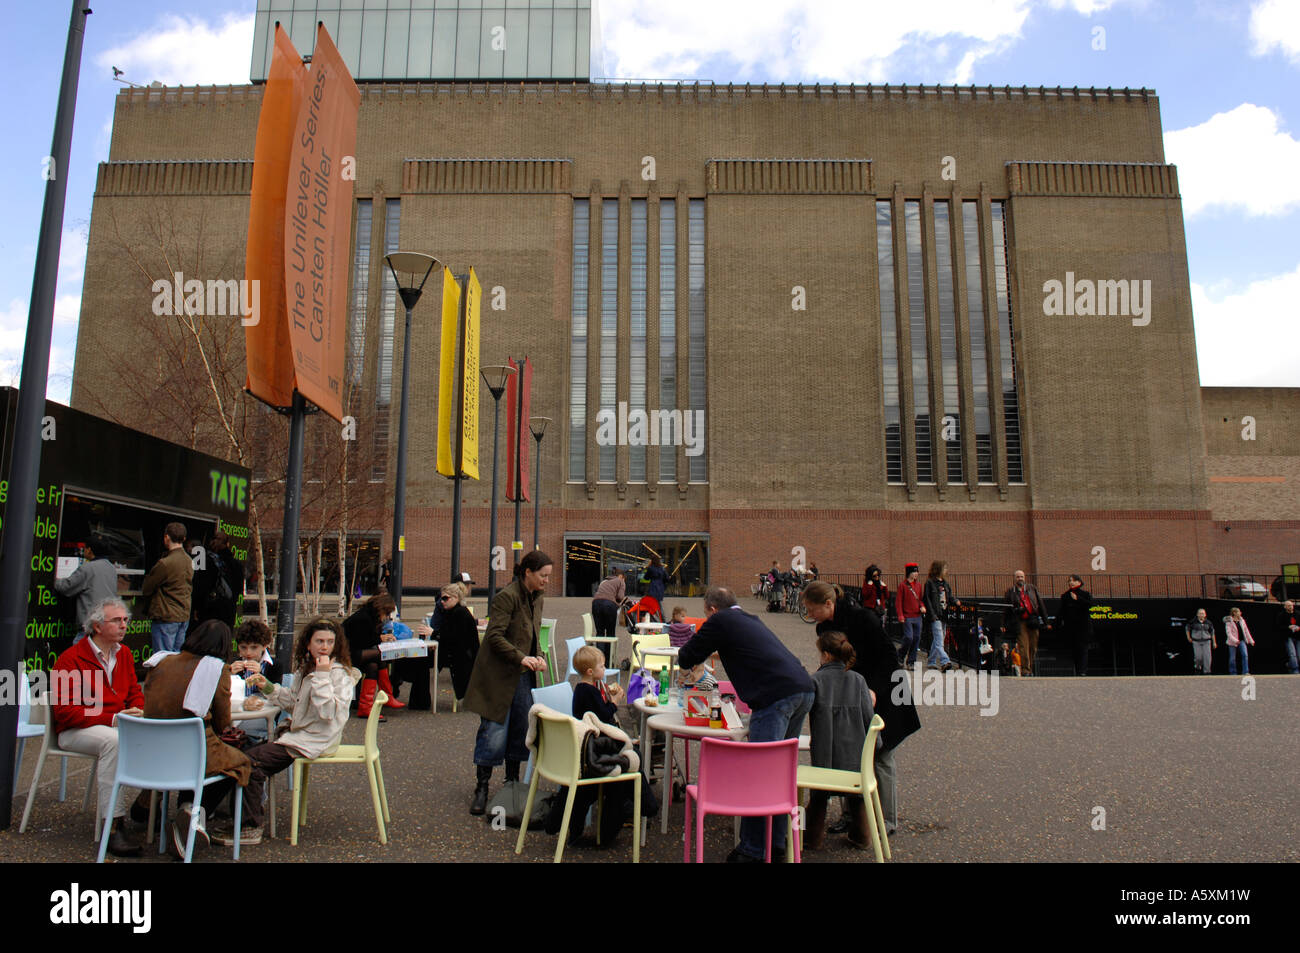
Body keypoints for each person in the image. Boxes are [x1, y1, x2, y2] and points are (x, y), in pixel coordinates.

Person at [677, 586, 814, 863]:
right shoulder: (750, 619)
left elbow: (688, 655)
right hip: (802, 688)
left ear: (712, 609)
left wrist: (691, 653)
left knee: (759, 773)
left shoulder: (720, 621)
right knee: (778, 771)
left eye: (706, 614)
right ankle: (776, 842)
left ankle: (752, 849)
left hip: (773, 697)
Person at [803, 580, 920, 840]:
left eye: (812, 609)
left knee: (882, 755)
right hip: (854, 694)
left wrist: (874, 689)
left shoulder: (863, 618)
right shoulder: (824, 627)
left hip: (887, 691)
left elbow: (889, 656)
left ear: (828, 604)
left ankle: (885, 820)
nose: (809, 615)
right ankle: (851, 817)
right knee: (848, 752)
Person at [230, 619, 356, 846]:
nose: (324, 647)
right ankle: (229, 815)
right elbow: (292, 701)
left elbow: (327, 712)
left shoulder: (338, 674)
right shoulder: (307, 667)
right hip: (299, 734)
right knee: (241, 752)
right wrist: (265, 685)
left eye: (329, 642)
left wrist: (323, 676)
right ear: (308, 644)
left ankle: (250, 827)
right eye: (319, 641)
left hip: (314, 740)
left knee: (252, 761)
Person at [142, 619, 252, 855]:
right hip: (191, 749)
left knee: (211, 757)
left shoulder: (160, 661)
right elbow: (223, 722)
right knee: (240, 762)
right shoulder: (216, 668)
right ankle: (194, 814)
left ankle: (157, 804)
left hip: (152, 752)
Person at [50, 597, 145, 857]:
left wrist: (140, 710)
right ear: (97, 626)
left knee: (154, 736)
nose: (124, 625)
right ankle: (113, 825)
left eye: (126, 620)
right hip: (74, 731)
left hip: (113, 726)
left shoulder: (123, 653)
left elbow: (134, 691)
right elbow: (66, 712)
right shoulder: (70, 659)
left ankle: (148, 808)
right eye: (117, 620)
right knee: (113, 742)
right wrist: (113, 719)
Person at [464, 550, 553, 815]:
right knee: (493, 731)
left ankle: (511, 784)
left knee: (520, 729)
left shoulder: (538, 597)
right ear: (528, 572)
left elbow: (533, 632)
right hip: (499, 675)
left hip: (524, 674)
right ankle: (481, 787)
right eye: (543, 575)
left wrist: (538, 656)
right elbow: (494, 636)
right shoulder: (507, 597)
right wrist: (521, 657)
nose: (546, 581)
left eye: (548, 576)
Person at [804, 631, 875, 851]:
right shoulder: (858, 680)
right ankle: (862, 837)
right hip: (854, 757)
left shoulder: (816, 681)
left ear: (825, 655)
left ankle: (810, 838)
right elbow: (868, 718)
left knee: (817, 799)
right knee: (856, 798)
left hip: (824, 756)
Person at [342, 592, 405, 716]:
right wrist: (380, 638)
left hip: (354, 651)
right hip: (347, 654)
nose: (386, 617)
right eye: (386, 613)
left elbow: (365, 640)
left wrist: (379, 637)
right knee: (380, 655)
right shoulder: (363, 618)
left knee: (373, 666)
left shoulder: (368, 615)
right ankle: (387, 695)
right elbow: (362, 641)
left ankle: (365, 707)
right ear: (381, 609)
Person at [140, 521, 193, 654]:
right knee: (176, 658)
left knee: (162, 659)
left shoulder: (165, 563)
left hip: (166, 616)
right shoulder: (189, 561)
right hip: (183, 615)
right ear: (184, 539)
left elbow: (147, 588)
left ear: (166, 537)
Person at [55, 536, 119, 635]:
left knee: (81, 650)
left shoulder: (87, 568)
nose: (83, 550)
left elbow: (65, 587)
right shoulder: (111, 568)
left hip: (89, 627)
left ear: (89, 550)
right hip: (106, 623)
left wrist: (53, 577)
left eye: (85, 548)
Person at [231, 619, 282, 740]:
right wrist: (229, 676)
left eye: (254, 648)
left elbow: (276, 695)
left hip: (262, 712)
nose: (248, 652)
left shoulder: (274, 665)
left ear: (264, 646)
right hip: (237, 711)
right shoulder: (233, 662)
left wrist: (261, 675)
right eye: (243, 647)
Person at [434, 581, 480, 706]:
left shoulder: (459, 613)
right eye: (440, 598)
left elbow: (452, 638)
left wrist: (434, 633)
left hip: (462, 658)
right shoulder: (453, 612)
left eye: (445, 598)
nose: (442, 601)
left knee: (423, 664)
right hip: (461, 655)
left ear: (455, 598)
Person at [192, 530, 243, 628]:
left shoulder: (206, 561)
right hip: (228, 611)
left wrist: (197, 607)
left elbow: (200, 587)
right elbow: (238, 589)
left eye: (215, 539)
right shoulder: (236, 564)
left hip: (209, 611)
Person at [1002, 570, 1046, 677]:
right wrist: (1003, 624)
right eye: (1017, 577)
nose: (1020, 578)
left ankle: (1029, 668)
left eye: (1021, 576)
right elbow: (1005, 609)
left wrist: (1046, 620)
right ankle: (1026, 670)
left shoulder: (1032, 589)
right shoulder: (1010, 592)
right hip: (1020, 621)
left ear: (1024, 577)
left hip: (1033, 620)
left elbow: (1040, 604)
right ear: (1014, 578)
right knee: (1023, 646)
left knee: (1033, 646)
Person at [921, 561, 956, 671]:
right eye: (944, 568)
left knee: (938, 639)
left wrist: (955, 601)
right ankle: (945, 661)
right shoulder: (930, 583)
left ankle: (931, 661)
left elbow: (949, 596)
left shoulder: (945, 584)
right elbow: (927, 599)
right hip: (935, 615)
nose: (946, 571)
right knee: (939, 639)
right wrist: (932, 614)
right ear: (938, 569)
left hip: (944, 615)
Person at [1056, 574, 1094, 676]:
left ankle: (1082, 671)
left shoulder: (1085, 594)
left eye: (1072, 580)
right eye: (1069, 581)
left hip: (1084, 628)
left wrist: (1078, 599)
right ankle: (1078, 671)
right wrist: (1055, 624)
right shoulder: (1065, 596)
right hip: (1071, 628)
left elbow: (1089, 605)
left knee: (1083, 649)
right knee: (1075, 651)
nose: (1070, 582)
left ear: (1079, 582)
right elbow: (1061, 612)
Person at [590, 568, 626, 662]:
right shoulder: (621, 581)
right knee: (610, 633)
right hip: (609, 605)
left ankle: (599, 661)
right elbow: (620, 597)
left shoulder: (604, 581)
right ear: (621, 576)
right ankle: (608, 661)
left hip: (596, 603)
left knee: (600, 632)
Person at [895, 563, 925, 666]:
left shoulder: (919, 585)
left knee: (916, 638)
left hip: (917, 616)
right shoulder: (902, 586)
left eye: (917, 571)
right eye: (914, 572)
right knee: (909, 637)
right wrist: (900, 615)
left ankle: (911, 661)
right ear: (909, 573)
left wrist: (922, 606)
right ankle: (901, 654)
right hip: (907, 616)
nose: (916, 574)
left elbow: (920, 599)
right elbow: (898, 602)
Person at [1222, 607, 1254, 675]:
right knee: (1232, 658)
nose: (1240, 613)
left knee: (1245, 655)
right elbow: (1229, 633)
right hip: (1232, 642)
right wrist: (1235, 640)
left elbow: (1246, 631)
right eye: (1239, 612)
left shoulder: (1242, 620)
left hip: (1242, 641)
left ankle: (1245, 671)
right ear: (1234, 613)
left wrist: (1251, 640)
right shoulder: (1229, 622)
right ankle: (1233, 672)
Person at [1185, 608, 1216, 675]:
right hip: (1196, 641)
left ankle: (1207, 671)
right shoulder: (1193, 622)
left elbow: (1212, 632)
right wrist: (1188, 637)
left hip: (1206, 641)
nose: (1201, 615)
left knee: (1207, 657)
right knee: (1198, 656)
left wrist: (1214, 642)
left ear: (1205, 615)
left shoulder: (1208, 622)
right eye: (1200, 613)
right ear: (1197, 614)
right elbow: (1187, 628)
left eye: (1203, 613)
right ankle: (1198, 667)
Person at [1275, 600, 1299, 675]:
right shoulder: (1281, 615)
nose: (1290, 607)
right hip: (1288, 636)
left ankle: (1290, 665)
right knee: (1292, 654)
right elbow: (1278, 626)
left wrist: (1298, 627)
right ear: (1285, 607)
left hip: (1298, 636)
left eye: (1291, 605)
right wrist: (1288, 627)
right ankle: (1295, 669)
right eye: (1288, 606)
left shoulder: (1298, 614)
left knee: (1299, 654)